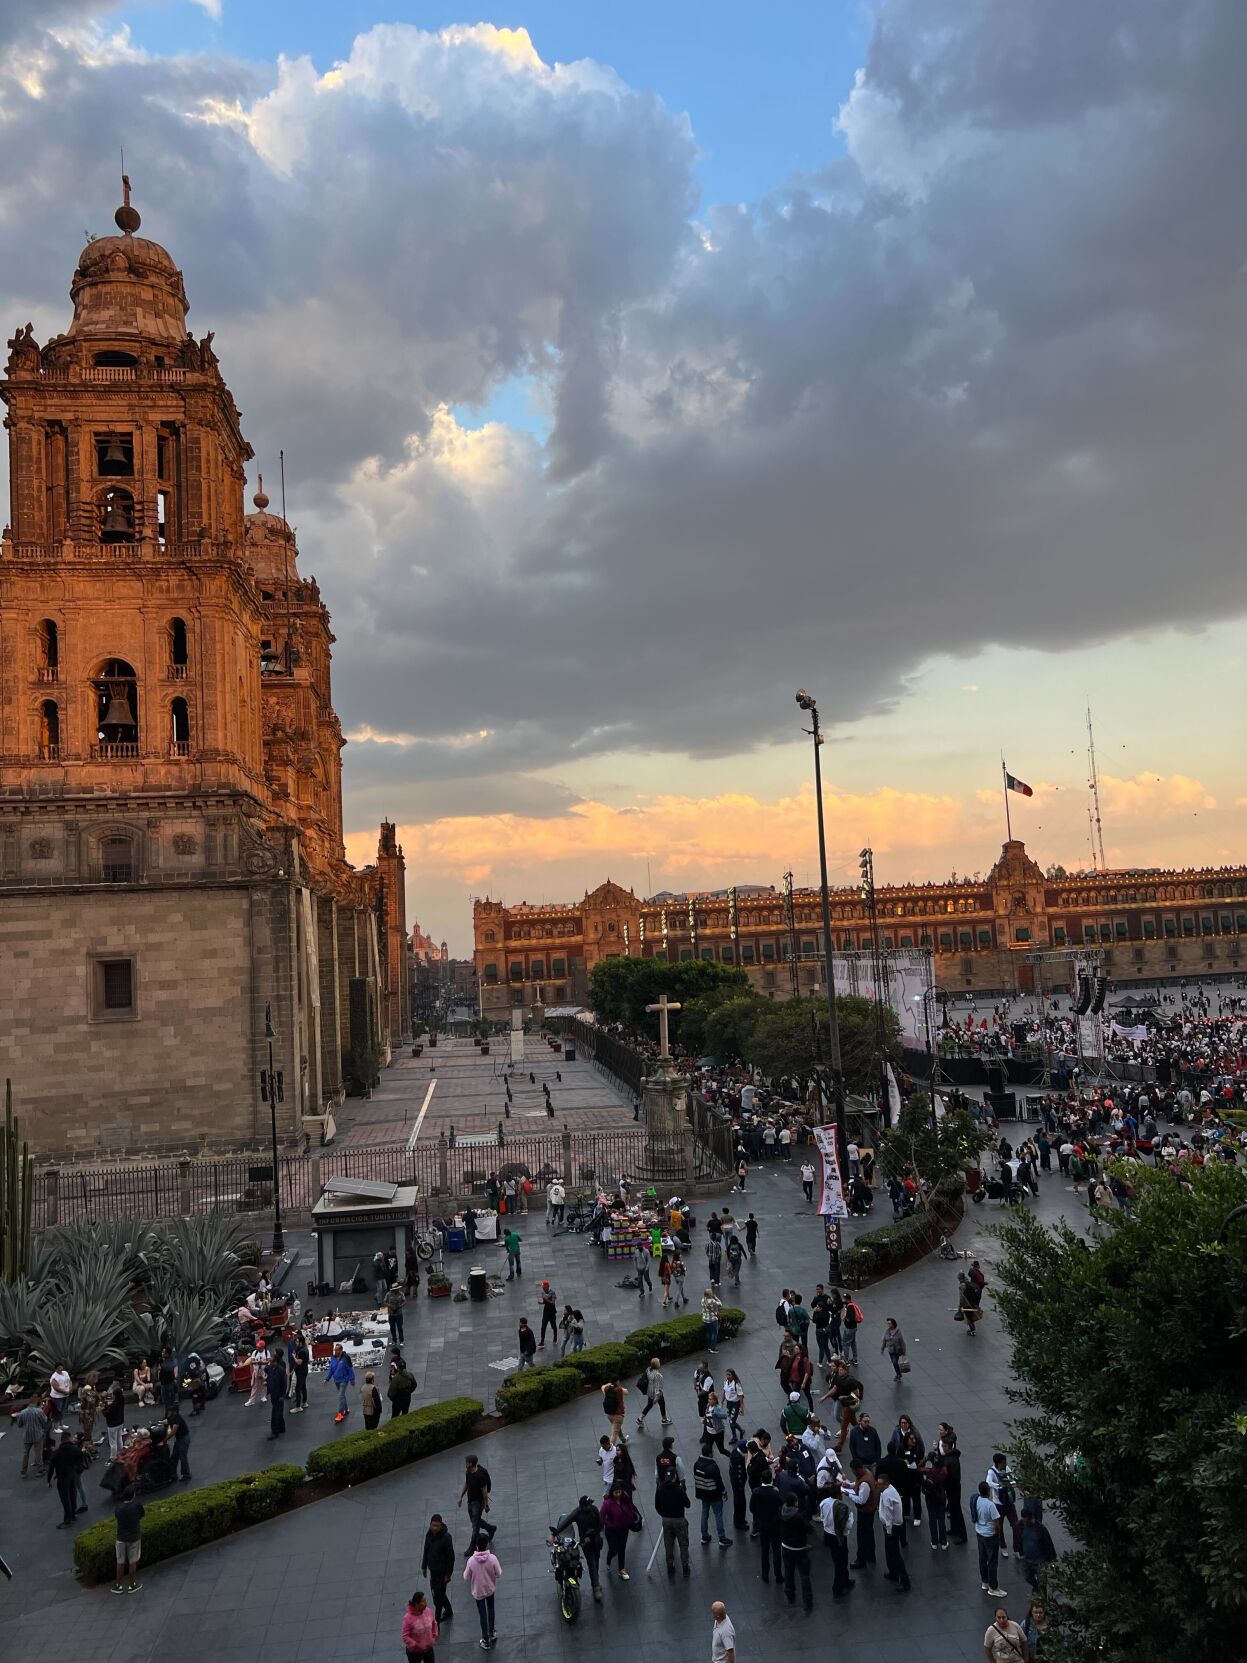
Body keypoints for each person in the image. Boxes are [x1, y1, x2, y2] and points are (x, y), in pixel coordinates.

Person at [553, 1493, 605, 1601]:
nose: (590, 1506)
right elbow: (566, 1522)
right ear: (583, 1506)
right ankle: (596, 1587)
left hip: (595, 1541)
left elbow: (600, 1525)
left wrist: (593, 1535)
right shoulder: (577, 1513)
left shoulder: (594, 1510)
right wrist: (554, 1534)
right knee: (592, 1563)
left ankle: (596, 1582)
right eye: (588, 1505)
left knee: (596, 1561)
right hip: (586, 1543)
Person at [463, 1532, 501, 1649]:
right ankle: (492, 1632)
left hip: (478, 1591)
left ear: (476, 1546)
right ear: (487, 1545)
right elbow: (499, 1573)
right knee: (491, 1609)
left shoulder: (471, 1561)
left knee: (482, 1614)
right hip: (490, 1589)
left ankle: (485, 1639)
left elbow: (466, 1576)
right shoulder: (492, 1558)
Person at [654, 1462, 691, 1576]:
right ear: (675, 1476)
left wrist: (664, 1514)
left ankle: (670, 1566)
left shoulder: (660, 1489)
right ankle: (685, 1567)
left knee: (668, 1544)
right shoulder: (679, 1489)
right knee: (683, 1543)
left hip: (666, 1520)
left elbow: (657, 1506)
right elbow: (688, 1504)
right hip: (679, 1519)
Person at [820, 1484, 856, 1598]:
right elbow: (848, 1526)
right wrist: (851, 1516)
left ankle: (845, 1580)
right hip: (839, 1537)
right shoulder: (842, 1507)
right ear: (838, 1495)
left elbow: (822, 1517)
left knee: (837, 1559)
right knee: (841, 1562)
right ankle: (837, 1588)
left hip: (828, 1534)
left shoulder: (824, 1502)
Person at [972, 1480, 1007, 1597]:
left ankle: (985, 1582)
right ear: (988, 1491)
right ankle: (993, 1587)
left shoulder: (977, 1500)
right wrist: (997, 1534)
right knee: (992, 1561)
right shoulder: (991, 1505)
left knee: (982, 1558)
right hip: (990, 1535)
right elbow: (997, 1523)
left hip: (979, 1532)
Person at [779, 1493, 813, 1611]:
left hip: (786, 1546)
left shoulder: (782, 1512)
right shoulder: (799, 1517)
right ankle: (807, 1599)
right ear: (794, 1503)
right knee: (804, 1575)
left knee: (788, 1572)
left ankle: (790, 1595)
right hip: (799, 1549)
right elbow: (809, 1529)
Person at [878, 1472, 911, 1591]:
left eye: (880, 1484)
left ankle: (904, 1580)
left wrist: (888, 1530)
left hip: (892, 1528)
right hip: (895, 1526)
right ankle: (893, 1572)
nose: (878, 1486)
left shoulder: (887, 1495)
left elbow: (888, 1515)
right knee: (890, 1552)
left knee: (895, 1554)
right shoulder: (890, 1489)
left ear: (886, 1484)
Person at [693, 1446, 732, 1545]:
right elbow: (718, 1482)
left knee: (704, 1513)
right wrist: (724, 1492)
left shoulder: (696, 1464)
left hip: (703, 1493)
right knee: (718, 1515)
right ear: (710, 1453)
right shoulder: (713, 1467)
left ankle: (704, 1535)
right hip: (714, 1495)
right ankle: (722, 1538)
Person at [422, 1513, 456, 1621]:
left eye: (437, 1526)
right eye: (433, 1525)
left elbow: (451, 1558)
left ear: (441, 1525)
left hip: (442, 1572)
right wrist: (424, 1566)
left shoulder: (446, 1538)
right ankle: (449, 1610)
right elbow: (426, 1550)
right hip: (433, 1571)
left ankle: (436, 1622)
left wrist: (448, 1574)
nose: (435, 1528)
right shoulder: (429, 1535)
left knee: (438, 1598)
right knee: (437, 1595)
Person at [111, 1484, 144, 1595]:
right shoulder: (136, 1506)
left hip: (120, 1537)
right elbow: (142, 1515)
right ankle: (132, 1585)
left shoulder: (118, 1508)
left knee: (120, 1562)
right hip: (134, 1537)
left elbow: (117, 1517)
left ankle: (118, 1585)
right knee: (132, 1562)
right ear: (133, 1495)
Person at [600, 1482, 638, 1578]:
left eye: (619, 1492)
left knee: (622, 1549)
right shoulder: (608, 1503)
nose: (618, 1494)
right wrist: (610, 1525)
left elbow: (630, 1507)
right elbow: (602, 1516)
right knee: (614, 1550)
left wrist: (630, 1517)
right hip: (612, 1531)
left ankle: (622, 1569)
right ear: (612, 1492)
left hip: (624, 1528)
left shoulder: (625, 1498)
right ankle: (608, 1561)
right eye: (616, 1492)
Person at [48, 1428, 83, 1527]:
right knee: (73, 1494)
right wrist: (77, 1469)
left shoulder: (57, 1452)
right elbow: (81, 1457)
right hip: (72, 1474)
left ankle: (67, 1519)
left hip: (62, 1477)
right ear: (69, 1438)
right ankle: (73, 1514)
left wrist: (49, 1480)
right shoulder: (75, 1449)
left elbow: (51, 1467)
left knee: (65, 1498)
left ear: (61, 1439)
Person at [848, 1460, 878, 1570]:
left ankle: (861, 1560)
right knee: (869, 1533)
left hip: (865, 1511)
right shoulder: (867, 1473)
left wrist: (848, 1494)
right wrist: (850, 1485)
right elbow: (858, 1484)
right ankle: (870, 1555)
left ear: (857, 1469)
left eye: (853, 1471)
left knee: (862, 1536)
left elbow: (861, 1500)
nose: (853, 1473)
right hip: (871, 1509)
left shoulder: (864, 1483)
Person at [459, 1455, 493, 1544]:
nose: (465, 1464)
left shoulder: (480, 1476)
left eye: (466, 1462)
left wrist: (486, 1505)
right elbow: (467, 1483)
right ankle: (490, 1528)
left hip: (478, 1502)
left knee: (475, 1525)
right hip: (470, 1501)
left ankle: (473, 1545)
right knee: (474, 1520)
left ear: (470, 1464)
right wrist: (461, 1496)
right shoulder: (468, 1472)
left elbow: (484, 1491)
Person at [16, 1393, 48, 1478]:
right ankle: (40, 1470)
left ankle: (23, 1471)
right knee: (38, 1453)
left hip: (26, 1436)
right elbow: (44, 1421)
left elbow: (19, 1425)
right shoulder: (39, 1411)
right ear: (37, 1403)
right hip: (37, 1435)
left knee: (25, 1453)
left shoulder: (22, 1412)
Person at [403, 1588, 439, 1663]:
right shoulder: (408, 1618)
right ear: (417, 1604)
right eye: (423, 1601)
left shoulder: (428, 1611)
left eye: (425, 1600)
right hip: (414, 1652)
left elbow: (434, 1623)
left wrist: (434, 1636)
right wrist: (416, 1645)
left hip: (428, 1649)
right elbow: (405, 1636)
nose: (426, 1603)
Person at [325, 1343, 355, 1422]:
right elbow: (331, 1369)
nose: (335, 1351)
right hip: (336, 1380)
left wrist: (352, 1379)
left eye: (337, 1350)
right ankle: (346, 1409)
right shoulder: (333, 1358)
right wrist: (327, 1378)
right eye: (335, 1350)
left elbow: (350, 1369)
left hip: (344, 1380)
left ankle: (340, 1414)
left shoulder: (345, 1358)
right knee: (342, 1396)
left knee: (340, 1395)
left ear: (341, 1350)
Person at [637, 1359, 669, 1428]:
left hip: (650, 1391)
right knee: (662, 1404)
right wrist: (657, 1397)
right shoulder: (658, 1375)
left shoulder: (648, 1369)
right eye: (659, 1362)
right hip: (656, 1393)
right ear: (657, 1364)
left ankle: (640, 1418)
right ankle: (664, 1419)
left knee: (649, 1405)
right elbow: (658, 1387)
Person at [266, 1347, 287, 1439]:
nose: (269, 1360)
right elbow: (266, 1370)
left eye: (271, 1359)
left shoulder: (280, 1370)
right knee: (278, 1411)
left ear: (275, 1362)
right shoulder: (271, 1368)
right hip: (273, 1393)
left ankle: (274, 1431)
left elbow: (284, 1384)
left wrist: (282, 1395)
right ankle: (282, 1427)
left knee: (275, 1413)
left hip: (278, 1395)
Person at [166, 1405, 192, 1480]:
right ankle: (173, 1474)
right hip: (179, 1439)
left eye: (170, 1411)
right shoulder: (170, 1417)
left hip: (183, 1439)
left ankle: (186, 1474)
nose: (168, 1412)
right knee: (174, 1457)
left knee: (182, 1457)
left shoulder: (177, 1419)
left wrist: (165, 1440)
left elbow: (173, 1431)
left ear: (174, 1412)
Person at [289, 1329, 310, 1413]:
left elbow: (299, 1362)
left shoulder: (302, 1351)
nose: (296, 1342)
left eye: (297, 1341)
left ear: (300, 1342)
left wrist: (294, 1357)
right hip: (302, 1370)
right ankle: (304, 1402)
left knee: (298, 1388)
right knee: (303, 1386)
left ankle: (298, 1406)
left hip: (301, 1371)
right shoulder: (302, 1347)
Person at [881, 1317, 908, 1381]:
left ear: (893, 1324)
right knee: (894, 1363)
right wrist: (883, 1348)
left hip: (896, 1351)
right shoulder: (887, 1331)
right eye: (888, 1323)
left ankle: (898, 1375)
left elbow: (902, 1342)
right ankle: (898, 1374)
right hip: (890, 1350)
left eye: (889, 1323)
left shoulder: (898, 1332)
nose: (888, 1325)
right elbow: (884, 1340)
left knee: (894, 1362)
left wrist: (904, 1353)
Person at [601, 1378, 627, 1443]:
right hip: (618, 1415)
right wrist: (619, 1387)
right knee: (614, 1434)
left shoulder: (607, 1389)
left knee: (617, 1428)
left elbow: (602, 1387)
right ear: (617, 1381)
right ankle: (610, 1447)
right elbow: (626, 1392)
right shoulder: (619, 1389)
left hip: (609, 1415)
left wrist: (608, 1384)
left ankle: (623, 1439)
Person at [722, 1368, 745, 1439]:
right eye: (727, 1375)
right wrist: (722, 1400)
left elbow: (740, 1396)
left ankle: (739, 1432)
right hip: (729, 1404)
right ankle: (736, 1435)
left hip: (735, 1404)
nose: (728, 1376)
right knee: (731, 1421)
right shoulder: (726, 1382)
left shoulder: (736, 1384)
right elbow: (724, 1391)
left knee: (732, 1421)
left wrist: (741, 1408)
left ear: (733, 1375)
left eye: (729, 1375)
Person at [702, 1287, 723, 1352]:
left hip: (705, 1319)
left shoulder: (703, 1299)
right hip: (712, 1320)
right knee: (714, 1333)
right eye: (711, 1293)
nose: (712, 1293)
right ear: (709, 1294)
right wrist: (715, 1297)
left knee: (709, 1333)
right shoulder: (713, 1301)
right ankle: (713, 1348)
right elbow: (720, 1304)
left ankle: (709, 1346)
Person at [538, 1281, 558, 1347]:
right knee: (543, 1327)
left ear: (547, 1287)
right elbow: (544, 1301)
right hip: (546, 1311)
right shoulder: (543, 1293)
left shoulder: (552, 1292)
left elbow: (553, 1303)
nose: (543, 1288)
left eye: (544, 1287)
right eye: (542, 1287)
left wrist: (546, 1299)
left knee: (553, 1326)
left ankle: (555, 1338)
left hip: (552, 1312)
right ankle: (542, 1341)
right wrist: (542, 1302)